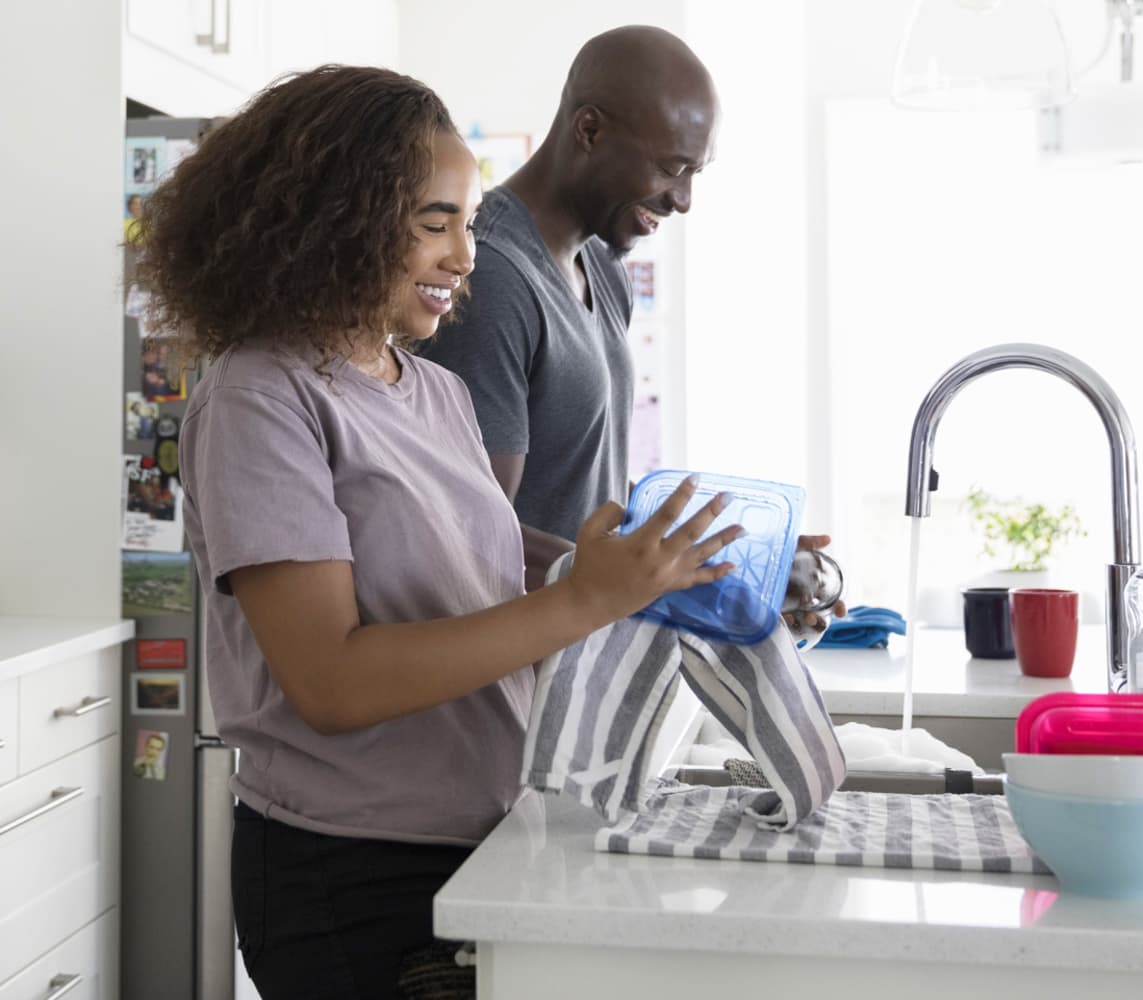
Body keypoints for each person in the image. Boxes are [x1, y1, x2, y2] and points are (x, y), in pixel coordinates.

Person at [134, 64, 742, 1000]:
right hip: (348, 874)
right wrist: (586, 598)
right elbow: (331, 681)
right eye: (434, 223)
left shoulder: (436, 392)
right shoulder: (262, 396)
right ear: (333, 216)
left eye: (466, 223)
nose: (466, 257)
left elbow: (476, 586)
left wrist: (660, 572)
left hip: (477, 841)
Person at [417, 26, 845, 632]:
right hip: (507, 685)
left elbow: (584, 489)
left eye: (696, 172)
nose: (685, 199)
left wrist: (726, 563)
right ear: (589, 131)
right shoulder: (492, 279)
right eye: (672, 168)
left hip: (584, 657)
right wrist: (675, 585)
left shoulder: (602, 267)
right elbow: (468, 532)